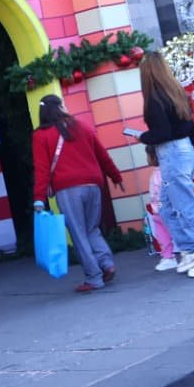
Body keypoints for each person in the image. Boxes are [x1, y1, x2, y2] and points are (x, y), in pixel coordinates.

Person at [137, 52, 194, 277]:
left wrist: (143, 137)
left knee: (185, 206)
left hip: (172, 152)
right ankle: (190, 251)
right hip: (182, 149)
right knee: (166, 206)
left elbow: (162, 133)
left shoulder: (154, 99)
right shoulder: (175, 92)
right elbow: (188, 125)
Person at [31, 93, 125, 291]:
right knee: (92, 229)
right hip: (93, 185)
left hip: (68, 189)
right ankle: (107, 264)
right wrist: (116, 176)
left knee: (79, 234)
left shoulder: (41, 135)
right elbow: (101, 154)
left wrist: (39, 198)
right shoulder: (81, 126)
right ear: (60, 107)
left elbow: (41, 168)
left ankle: (94, 278)